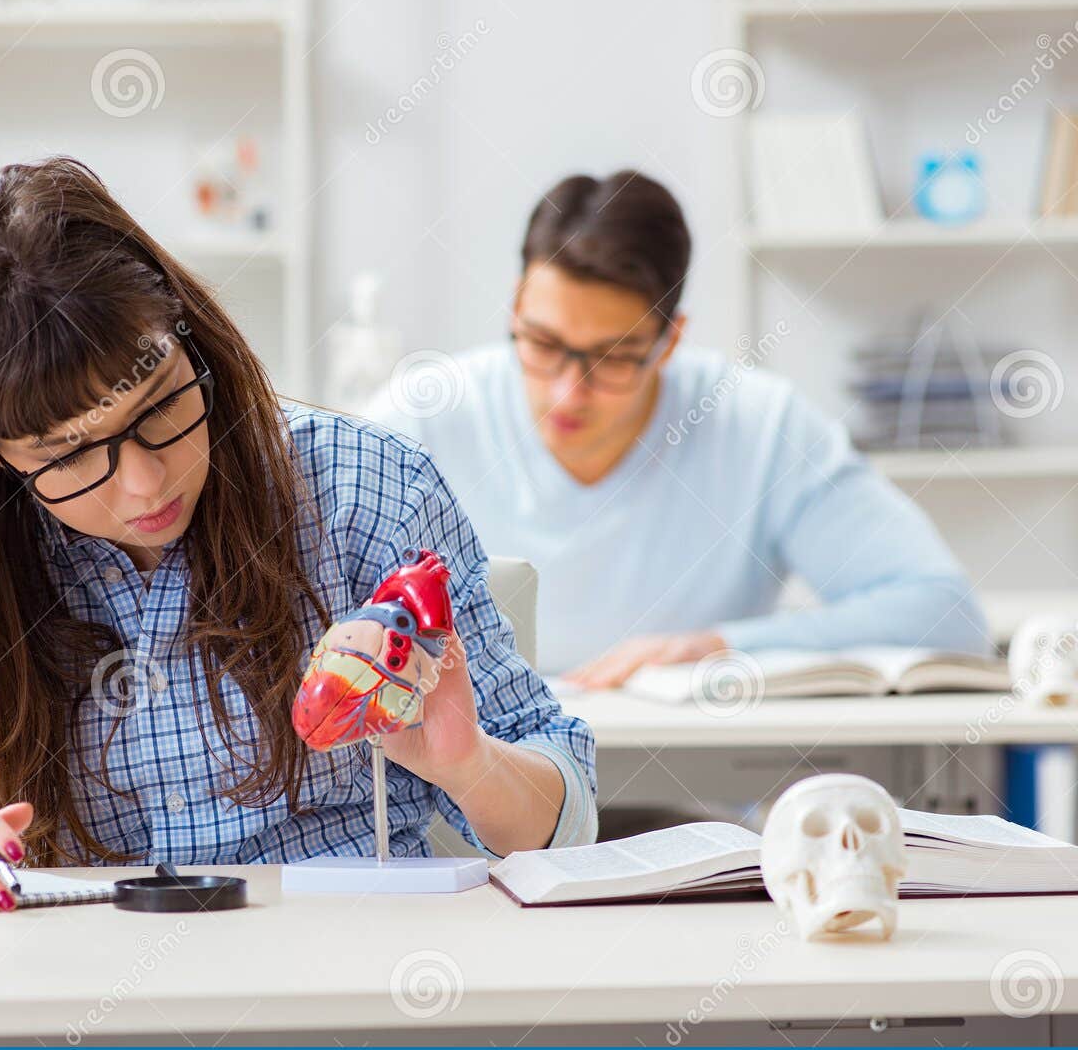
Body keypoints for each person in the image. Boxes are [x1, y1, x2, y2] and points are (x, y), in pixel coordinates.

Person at [0, 157, 596, 913]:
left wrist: (469, 767)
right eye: (67, 453)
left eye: (159, 405)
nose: (142, 484)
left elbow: (565, 818)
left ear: (189, 338)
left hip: (349, 990)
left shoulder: (358, 490)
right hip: (83, 1009)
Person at [366, 171, 989, 685]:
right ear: (515, 306)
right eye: (544, 343)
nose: (568, 391)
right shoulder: (422, 417)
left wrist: (719, 645)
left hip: (691, 808)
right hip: (461, 821)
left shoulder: (760, 427)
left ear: (670, 341)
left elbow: (945, 613)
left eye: (612, 358)